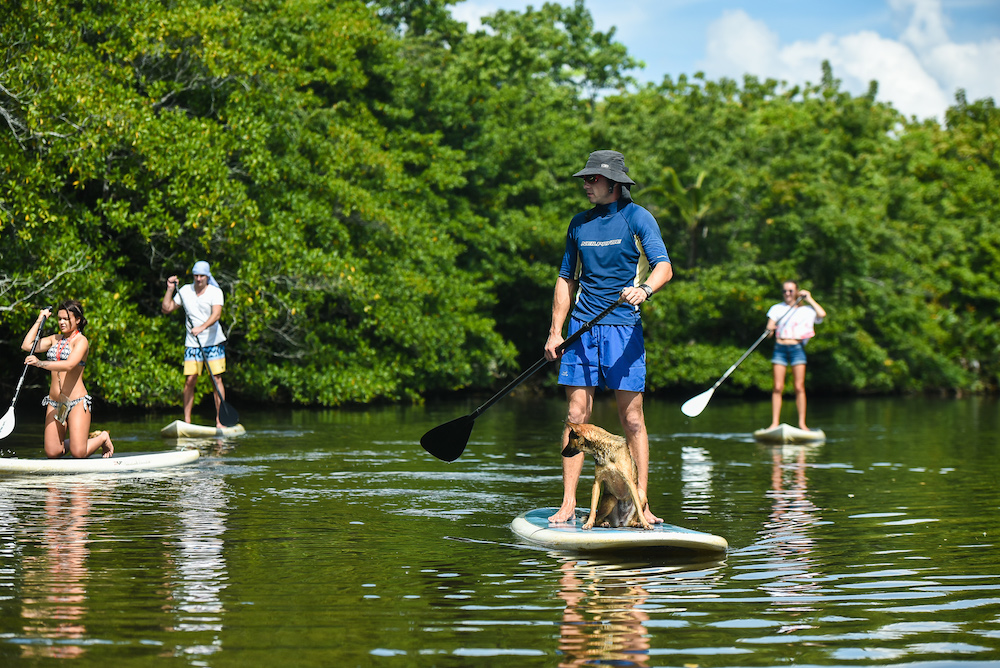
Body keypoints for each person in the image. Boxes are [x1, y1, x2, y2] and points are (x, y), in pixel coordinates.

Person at [544, 150, 673, 525]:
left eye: (592, 179)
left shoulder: (637, 217)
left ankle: (641, 504)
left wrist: (645, 289)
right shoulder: (578, 224)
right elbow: (565, 279)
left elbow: (663, 266)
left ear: (614, 184)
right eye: (584, 179)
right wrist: (555, 331)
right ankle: (569, 503)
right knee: (575, 416)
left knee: (631, 418)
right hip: (582, 328)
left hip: (623, 327)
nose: (586, 185)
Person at [21, 301, 114, 458]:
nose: (62, 322)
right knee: (53, 452)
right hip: (55, 402)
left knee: (79, 453)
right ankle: (79, 440)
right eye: (59, 319)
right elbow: (27, 345)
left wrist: (40, 363)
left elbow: (70, 365)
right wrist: (40, 319)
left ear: (77, 319)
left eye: (66, 319)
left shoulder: (81, 341)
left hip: (76, 402)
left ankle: (102, 437)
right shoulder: (54, 339)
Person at [161, 261, 228, 428]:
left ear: (207, 277)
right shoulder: (185, 291)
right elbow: (167, 308)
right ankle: (187, 421)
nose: (198, 279)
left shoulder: (215, 292)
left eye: (202, 276)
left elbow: (217, 314)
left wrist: (202, 327)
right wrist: (170, 289)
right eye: (196, 276)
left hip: (213, 342)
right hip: (192, 344)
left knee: (216, 380)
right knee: (190, 380)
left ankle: (220, 420)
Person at [765, 281, 827, 430]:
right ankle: (774, 423)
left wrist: (809, 298)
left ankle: (802, 423)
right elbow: (769, 328)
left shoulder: (806, 310)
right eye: (785, 291)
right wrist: (770, 329)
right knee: (778, 387)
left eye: (791, 291)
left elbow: (822, 314)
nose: (787, 294)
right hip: (780, 348)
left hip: (797, 348)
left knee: (799, 387)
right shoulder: (777, 308)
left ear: (796, 292)